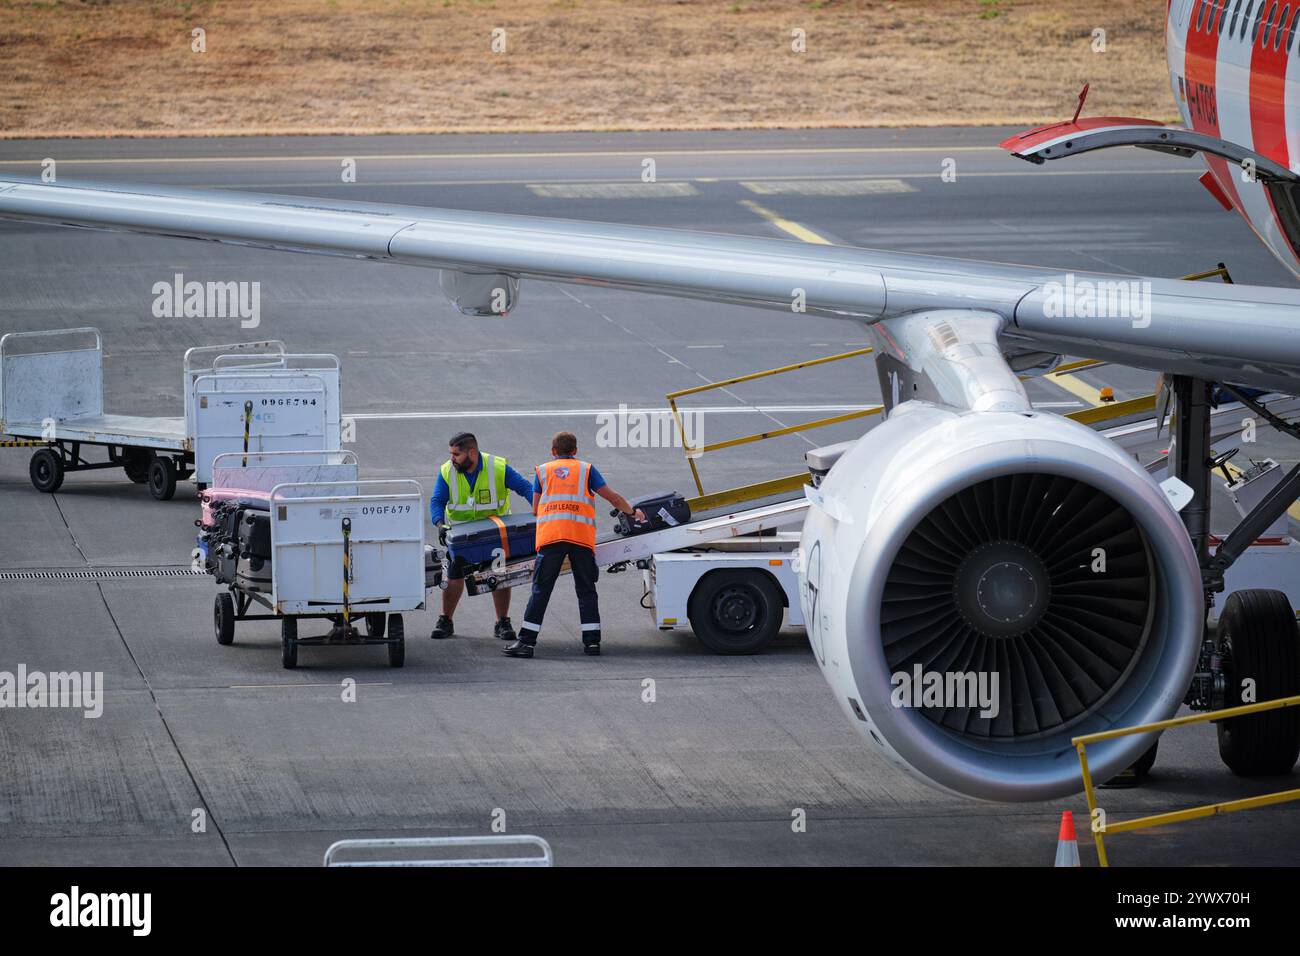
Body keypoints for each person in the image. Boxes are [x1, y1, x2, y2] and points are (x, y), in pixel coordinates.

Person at [503, 431, 644, 659]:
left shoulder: (542, 471)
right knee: (586, 590)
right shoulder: (587, 470)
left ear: (553, 451)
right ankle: (592, 643)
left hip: (552, 537)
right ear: (575, 451)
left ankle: (526, 642)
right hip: (580, 538)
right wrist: (632, 512)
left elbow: (536, 509)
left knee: (541, 589)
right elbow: (614, 498)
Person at [430, 432, 535, 641]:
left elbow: (525, 488)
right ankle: (446, 620)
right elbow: (437, 500)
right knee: (454, 574)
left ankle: (502, 622)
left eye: (456, 454)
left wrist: (542, 512)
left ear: (472, 452)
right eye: (451, 454)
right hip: (463, 535)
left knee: (500, 573)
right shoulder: (447, 471)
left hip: (494, 533)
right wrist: (440, 524)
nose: (452, 459)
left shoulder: (497, 467)